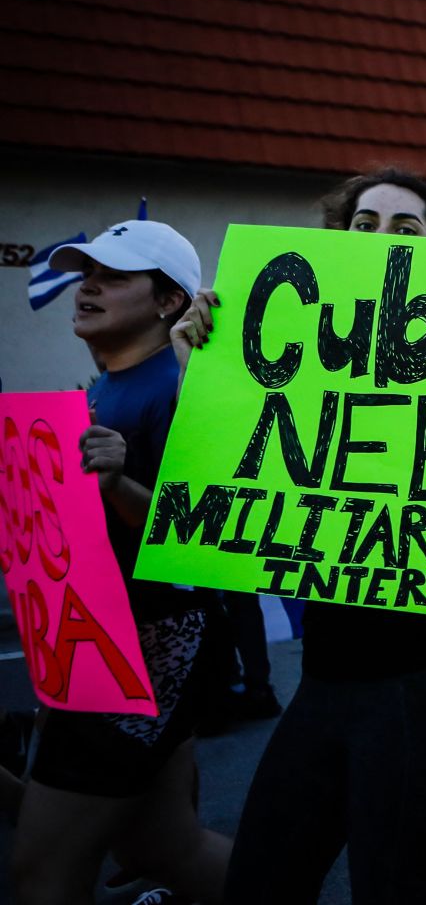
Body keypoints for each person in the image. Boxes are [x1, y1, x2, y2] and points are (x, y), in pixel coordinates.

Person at [198, 169, 426, 904]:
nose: (382, 239)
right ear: (338, 240)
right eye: (364, 224)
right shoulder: (298, 360)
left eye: (407, 227)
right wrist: (205, 365)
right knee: (261, 883)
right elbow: (236, 505)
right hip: (328, 678)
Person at [15, 220, 233, 905]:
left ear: (168, 302)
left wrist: (114, 485)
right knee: (161, 846)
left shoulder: (178, 386)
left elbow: (210, 541)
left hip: (145, 649)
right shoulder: (105, 387)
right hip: (108, 641)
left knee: (40, 879)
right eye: (87, 272)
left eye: (113, 276)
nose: (88, 286)